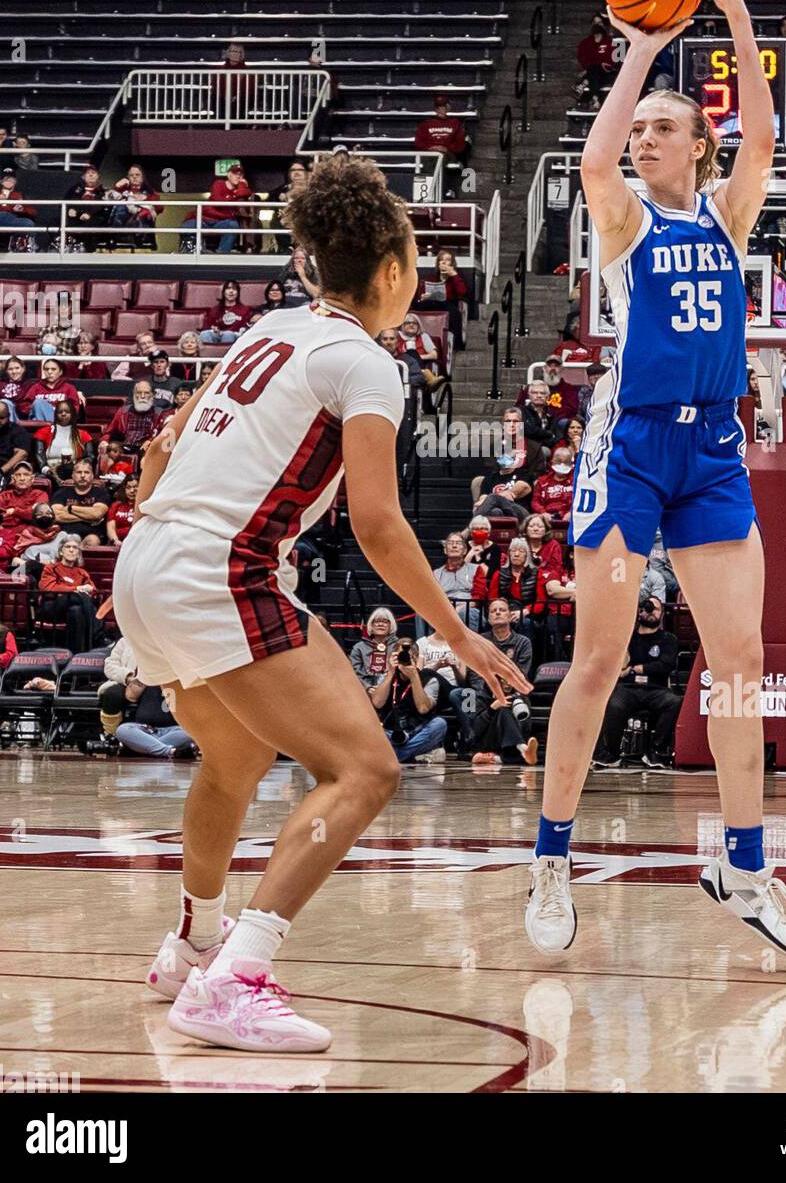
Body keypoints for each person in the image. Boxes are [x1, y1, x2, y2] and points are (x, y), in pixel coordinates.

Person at [114, 153, 528, 1052]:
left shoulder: (269, 329)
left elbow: (170, 437)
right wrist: (455, 631)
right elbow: (379, 525)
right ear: (389, 272)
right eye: (414, 260)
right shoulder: (367, 364)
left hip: (147, 556)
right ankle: (236, 978)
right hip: (217, 567)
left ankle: (193, 943)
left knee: (233, 755)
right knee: (367, 770)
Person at [525, 0, 786, 957]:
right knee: (595, 662)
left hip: (712, 453)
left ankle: (741, 862)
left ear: (698, 143)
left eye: (661, 128)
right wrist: (641, 41)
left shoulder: (725, 220)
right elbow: (593, 156)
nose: (642, 138)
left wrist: (730, 14)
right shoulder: (626, 221)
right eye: (638, 126)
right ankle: (551, 858)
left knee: (735, 659)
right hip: (632, 446)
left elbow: (765, 146)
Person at [593, 597, 681, 769]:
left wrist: (636, 668)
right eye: (648, 608)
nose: (651, 612)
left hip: (656, 689)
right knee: (614, 703)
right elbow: (618, 664)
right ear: (640, 611)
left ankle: (657, 751)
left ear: (662, 614)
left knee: (673, 702)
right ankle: (611, 754)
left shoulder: (668, 639)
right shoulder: (628, 638)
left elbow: (666, 664)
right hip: (629, 688)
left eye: (656, 609)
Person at [449, 597, 536, 766]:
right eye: (493, 610)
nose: (497, 612)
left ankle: (491, 751)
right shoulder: (479, 641)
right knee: (463, 694)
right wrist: (489, 693)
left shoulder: (522, 642)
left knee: (517, 703)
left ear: (511, 616)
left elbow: (520, 673)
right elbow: (474, 674)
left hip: (511, 690)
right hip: (483, 690)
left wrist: (503, 693)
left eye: (502, 610)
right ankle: (469, 740)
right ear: (488, 618)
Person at [99, 637, 198, 760]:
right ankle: (165, 750)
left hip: (172, 725)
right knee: (122, 728)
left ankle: (138, 747)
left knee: (191, 733)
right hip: (132, 684)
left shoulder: (175, 641)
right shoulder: (126, 641)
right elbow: (109, 666)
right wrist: (130, 677)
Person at [38, 538, 103, 653]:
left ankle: (78, 655)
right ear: (61, 552)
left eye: (75, 548)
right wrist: (76, 589)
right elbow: (48, 588)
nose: (71, 550)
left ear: (78, 553)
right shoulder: (51, 568)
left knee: (76, 611)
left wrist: (89, 590)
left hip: (73, 610)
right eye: (68, 547)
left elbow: (93, 592)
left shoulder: (82, 572)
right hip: (53, 607)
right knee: (77, 596)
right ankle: (97, 634)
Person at [182, 164, 253, 255]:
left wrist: (242, 185)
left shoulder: (240, 189)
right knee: (187, 226)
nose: (238, 176)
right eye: (235, 174)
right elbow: (217, 200)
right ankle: (192, 251)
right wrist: (233, 197)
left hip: (222, 222)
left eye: (240, 175)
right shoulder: (219, 183)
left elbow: (245, 193)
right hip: (205, 219)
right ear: (229, 175)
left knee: (233, 225)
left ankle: (222, 253)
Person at [431, 533, 486, 632]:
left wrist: (460, 608)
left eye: (458, 543)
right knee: (421, 615)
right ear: (445, 550)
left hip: (468, 608)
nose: (454, 546)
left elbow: (479, 597)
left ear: (465, 550)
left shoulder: (476, 569)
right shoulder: (436, 573)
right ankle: (423, 645)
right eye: (451, 543)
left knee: (465, 613)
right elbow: (434, 597)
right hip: (444, 609)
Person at [51, 460, 110, 547]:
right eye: (79, 472)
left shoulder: (101, 493)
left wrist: (70, 509)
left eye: (86, 472)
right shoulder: (61, 493)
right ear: (73, 476)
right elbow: (56, 515)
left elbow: (96, 514)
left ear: (92, 476)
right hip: (65, 535)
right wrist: (88, 518)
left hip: (92, 534)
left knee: (92, 541)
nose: (82, 476)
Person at [33, 400, 94, 481]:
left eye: (67, 412)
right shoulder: (43, 432)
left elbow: (90, 457)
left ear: (72, 414)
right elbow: (38, 455)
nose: (63, 414)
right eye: (60, 412)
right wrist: (46, 470)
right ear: (55, 414)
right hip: (48, 473)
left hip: (74, 472)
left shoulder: (83, 434)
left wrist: (77, 466)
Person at [101, 381, 166, 456]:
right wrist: (104, 441)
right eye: (139, 393)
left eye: (146, 393)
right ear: (134, 394)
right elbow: (109, 432)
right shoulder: (123, 411)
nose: (142, 396)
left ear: (153, 395)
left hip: (144, 450)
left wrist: (150, 441)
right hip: (122, 448)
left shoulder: (159, 414)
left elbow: (160, 436)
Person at [0, 171, 37, 250]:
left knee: (29, 224)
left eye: (11, 179)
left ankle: (28, 246)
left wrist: (23, 209)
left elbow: (33, 212)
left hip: (12, 218)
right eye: (6, 179)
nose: (8, 182)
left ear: (15, 181)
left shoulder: (20, 195)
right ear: (1, 181)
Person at [348, 608, 398, 695]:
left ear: (391, 625)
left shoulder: (398, 646)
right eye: (376, 621)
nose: (380, 624)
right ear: (371, 625)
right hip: (365, 691)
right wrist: (367, 687)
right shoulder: (359, 648)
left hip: (392, 689)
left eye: (385, 621)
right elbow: (354, 673)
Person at [108, 166, 161, 247]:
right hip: (122, 228)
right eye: (131, 175)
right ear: (128, 178)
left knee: (145, 212)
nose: (134, 177)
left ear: (142, 178)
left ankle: (137, 237)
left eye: (137, 175)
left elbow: (159, 207)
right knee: (120, 206)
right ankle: (115, 237)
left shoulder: (150, 194)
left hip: (141, 230)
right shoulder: (122, 192)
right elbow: (108, 201)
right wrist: (117, 187)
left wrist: (143, 203)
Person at [63, 165, 109, 252]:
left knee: (95, 222)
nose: (91, 175)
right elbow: (68, 204)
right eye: (88, 173)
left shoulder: (103, 191)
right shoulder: (75, 189)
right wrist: (76, 211)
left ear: (98, 176)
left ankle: (89, 251)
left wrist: (89, 214)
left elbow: (102, 205)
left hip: (95, 219)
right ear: (83, 176)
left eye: (93, 173)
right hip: (76, 217)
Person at [413, 94, 468, 166]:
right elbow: (419, 142)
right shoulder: (425, 124)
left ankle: (435, 177)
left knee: (439, 160)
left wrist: (446, 148)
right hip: (429, 153)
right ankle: (429, 177)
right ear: (435, 109)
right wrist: (431, 147)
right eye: (438, 108)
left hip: (447, 154)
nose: (441, 110)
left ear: (448, 108)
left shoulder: (455, 123)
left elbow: (460, 144)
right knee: (429, 160)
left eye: (443, 107)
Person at [576, 14, 619, 108]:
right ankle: (596, 98)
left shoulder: (612, 42)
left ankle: (584, 83)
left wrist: (591, 67)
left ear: (604, 25)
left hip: (607, 73)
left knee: (593, 68)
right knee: (593, 69)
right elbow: (582, 58)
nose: (597, 25)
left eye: (599, 23)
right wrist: (592, 66)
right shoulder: (585, 43)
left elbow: (613, 61)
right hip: (593, 73)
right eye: (594, 23)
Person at [200, 280, 254, 345]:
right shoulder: (215, 309)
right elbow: (208, 327)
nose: (231, 291)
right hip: (217, 335)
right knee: (204, 334)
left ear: (238, 293)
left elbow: (246, 328)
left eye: (234, 289)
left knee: (228, 334)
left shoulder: (245, 310)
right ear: (224, 292)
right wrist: (215, 330)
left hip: (235, 336)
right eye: (228, 288)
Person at [0, 460, 48, 526]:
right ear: (13, 478)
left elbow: (36, 515)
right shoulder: (4, 495)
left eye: (26, 475)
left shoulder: (40, 494)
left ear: (32, 478)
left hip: (29, 533)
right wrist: (26, 512)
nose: (22, 478)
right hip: (6, 531)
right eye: (18, 475)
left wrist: (14, 511)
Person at [531, 447, 575, 521]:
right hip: (547, 515)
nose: (562, 464)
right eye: (559, 461)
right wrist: (543, 512)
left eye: (566, 462)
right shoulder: (542, 481)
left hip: (569, 516)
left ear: (571, 463)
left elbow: (579, 501)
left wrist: (571, 512)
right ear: (552, 461)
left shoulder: (575, 481)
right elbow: (535, 502)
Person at [106, 474, 138, 545]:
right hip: (117, 543)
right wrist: (115, 541)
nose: (132, 491)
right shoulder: (116, 505)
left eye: (135, 487)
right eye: (128, 487)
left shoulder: (143, 506)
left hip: (137, 542)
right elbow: (110, 527)